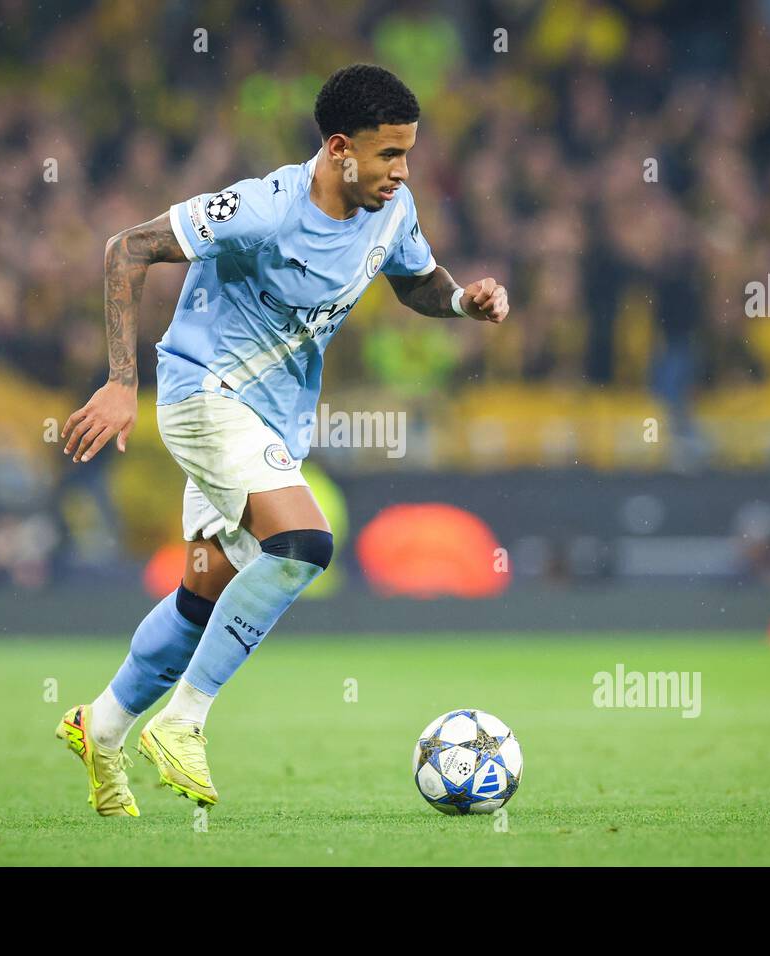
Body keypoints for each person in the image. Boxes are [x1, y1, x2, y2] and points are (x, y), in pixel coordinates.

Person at [55, 64, 509, 817]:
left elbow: (414, 280)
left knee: (204, 594)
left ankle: (99, 726)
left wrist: (463, 301)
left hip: (272, 419)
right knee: (303, 543)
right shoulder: (261, 209)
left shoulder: (392, 209)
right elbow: (126, 249)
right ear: (339, 149)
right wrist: (117, 380)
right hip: (203, 392)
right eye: (388, 155)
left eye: (409, 153)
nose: (402, 171)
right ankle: (184, 719)